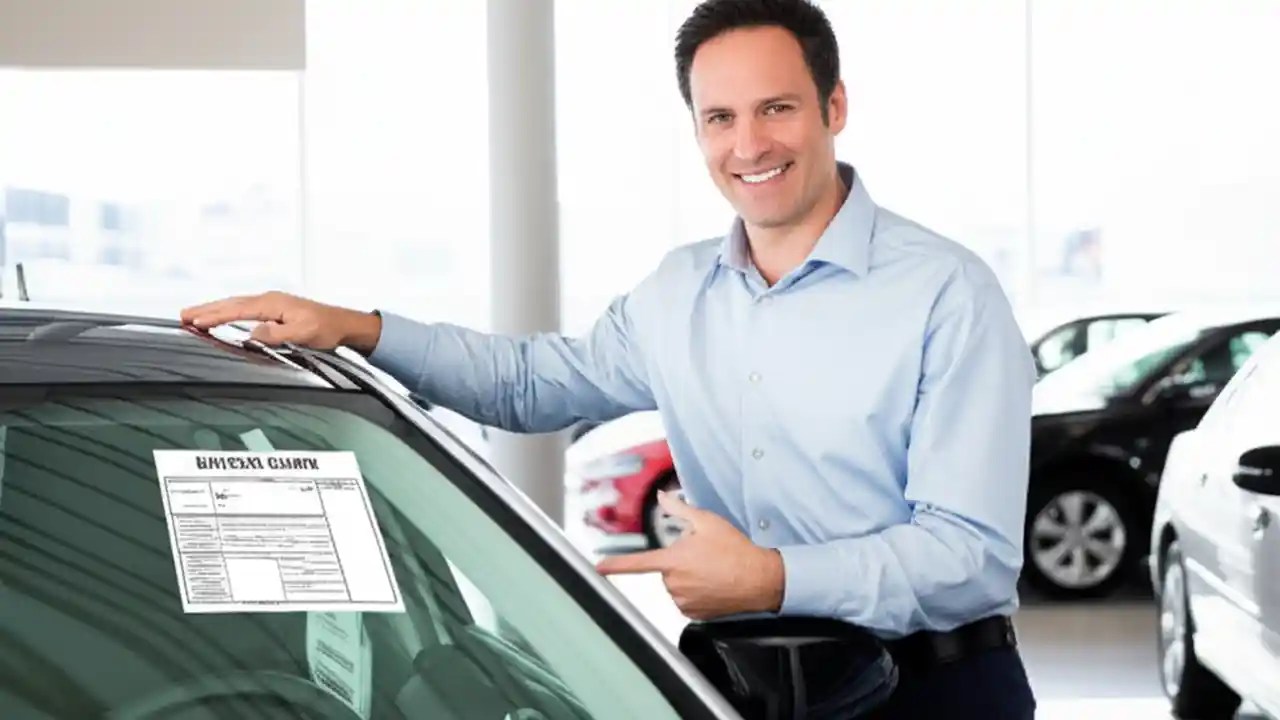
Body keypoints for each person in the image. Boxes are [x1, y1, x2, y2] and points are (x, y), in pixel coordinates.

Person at [181, 0, 1037, 716]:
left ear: (833, 106)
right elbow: (526, 384)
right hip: (746, 691)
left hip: (937, 692)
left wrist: (772, 579)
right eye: (720, 118)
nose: (749, 146)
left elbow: (968, 557)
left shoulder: (946, 293)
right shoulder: (678, 293)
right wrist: (356, 328)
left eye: (777, 108)